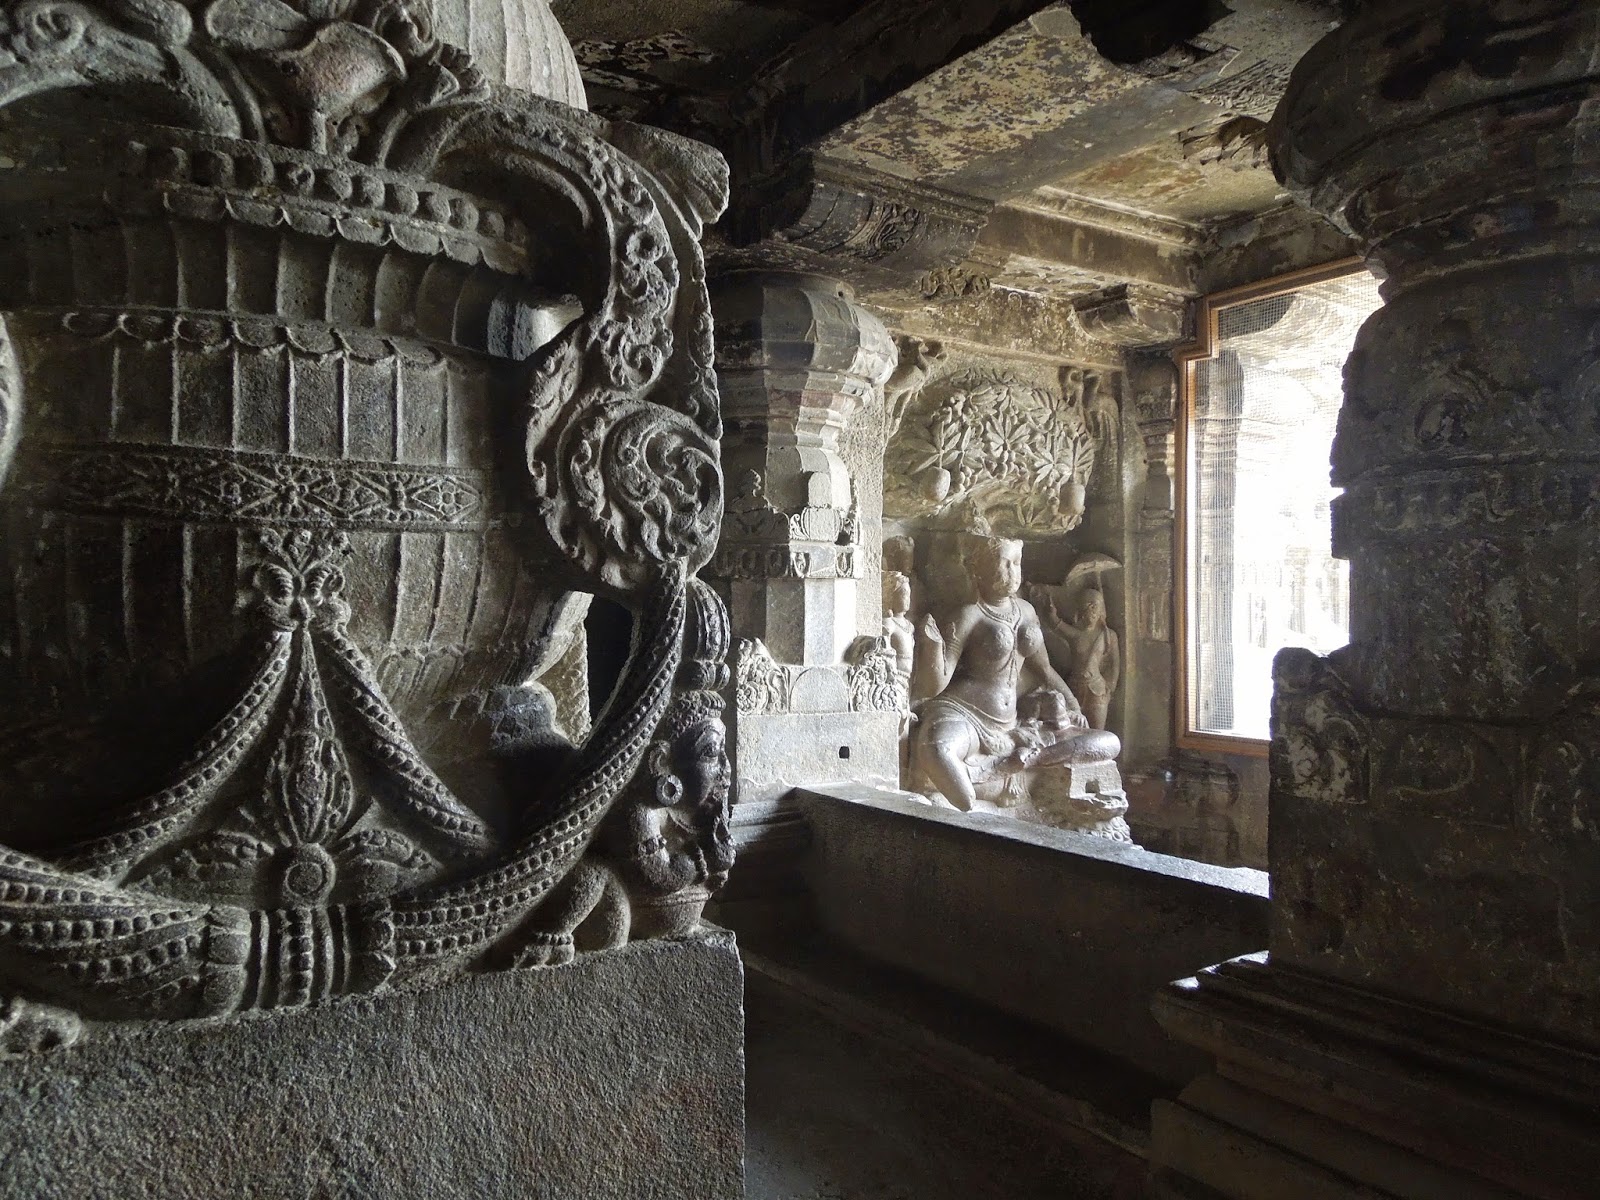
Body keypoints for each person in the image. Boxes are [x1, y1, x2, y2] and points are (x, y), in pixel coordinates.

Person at [912, 537, 1117, 810]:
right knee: (937, 750)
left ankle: (1019, 764)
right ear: (979, 571)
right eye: (1003, 563)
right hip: (966, 714)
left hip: (1016, 725)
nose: (1012, 571)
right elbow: (935, 684)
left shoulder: (1027, 611)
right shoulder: (968, 615)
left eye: (1017, 563)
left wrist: (1072, 706)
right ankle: (972, 793)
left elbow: (1044, 669)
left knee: (1107, 742)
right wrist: (932, 646)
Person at [1043, 587, 1120, 731]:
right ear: (1081, 611)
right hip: (1075, 688)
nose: (1092, 611)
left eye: (1095, 606)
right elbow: (1056, 624)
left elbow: (1114, 664)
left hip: (1097, 689)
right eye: (1088, 606)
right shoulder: (1076, 635)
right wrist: (1051, 611)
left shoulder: (1108, 636)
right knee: (1075, 731)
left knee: (1097, 733)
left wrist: (1111, 685)